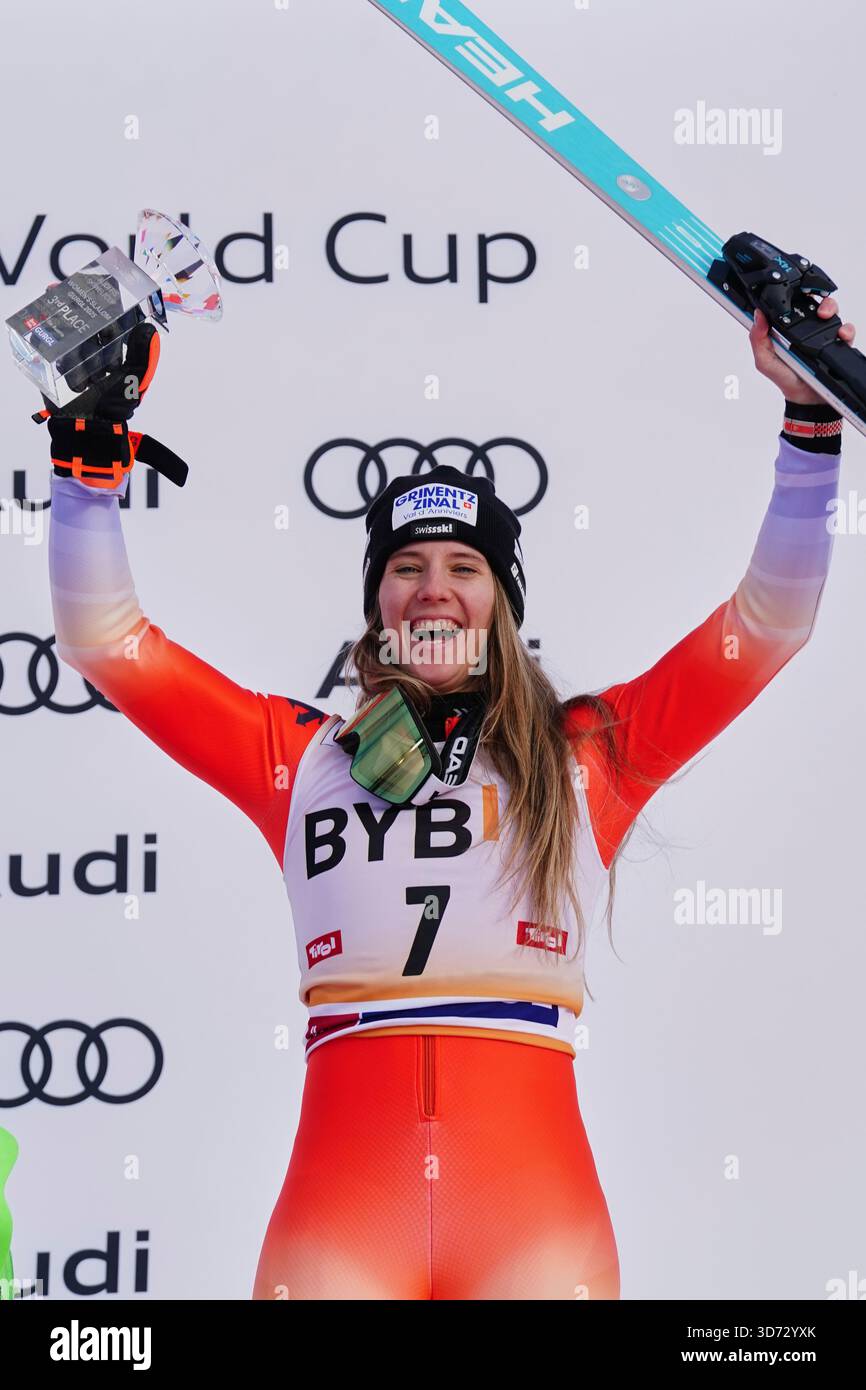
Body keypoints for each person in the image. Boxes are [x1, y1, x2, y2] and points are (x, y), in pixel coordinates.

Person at [45, 301, 853, 1300]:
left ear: (501, 605)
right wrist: (84, 480)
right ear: (377, 604)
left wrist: (809, 425)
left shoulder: (585, 755)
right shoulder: (298, 759)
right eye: (407, 567)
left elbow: (768, 624)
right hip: (342, 1216)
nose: (433, 588)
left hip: (534, 1221)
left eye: (463, 568)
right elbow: (107, 644)